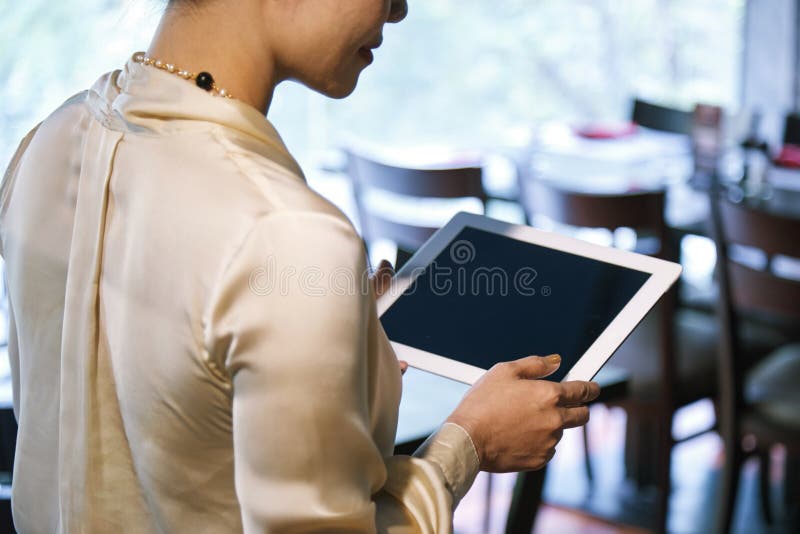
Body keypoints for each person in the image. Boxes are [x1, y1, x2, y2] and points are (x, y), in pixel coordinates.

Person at [0, 0, 600, 532]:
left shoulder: (49, 141)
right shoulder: (286, 230)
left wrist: (330, 359)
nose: (398, 11)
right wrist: (470, 441)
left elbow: (150, 418)